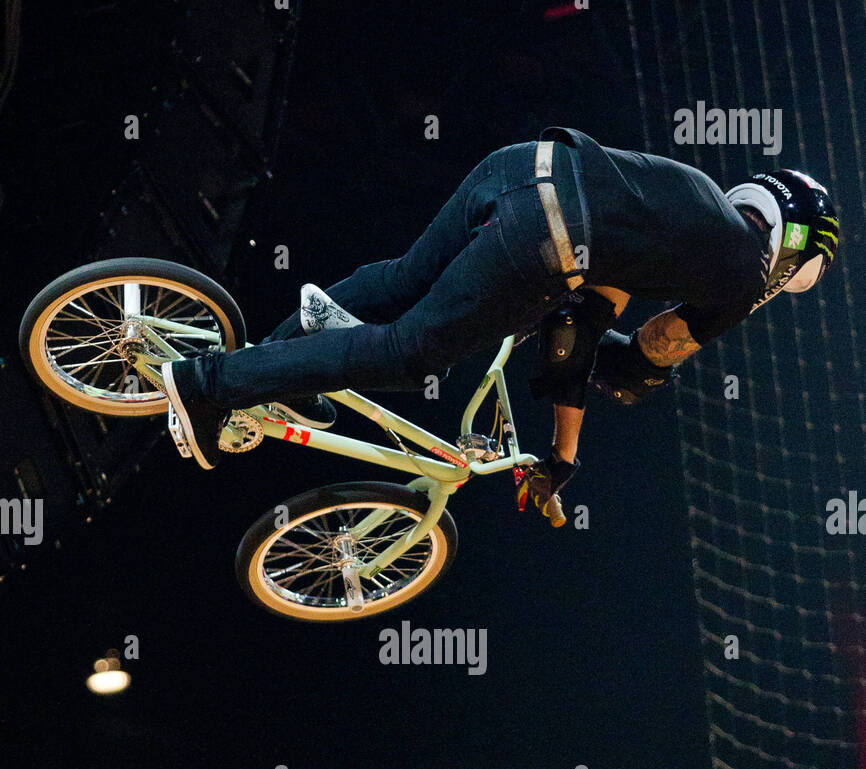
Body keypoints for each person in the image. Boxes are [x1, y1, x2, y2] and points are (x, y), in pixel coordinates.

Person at [161, 129, 839, 522]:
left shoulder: (687, 199)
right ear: (791, 253)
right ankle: (210, 384)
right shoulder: (744, 276)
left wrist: (567, 432)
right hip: (548, 236)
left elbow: (583, 319)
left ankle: (293, 346)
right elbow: (637, 353)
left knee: (402, 281)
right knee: (411, 355)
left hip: (521, 165)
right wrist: (579, 441)